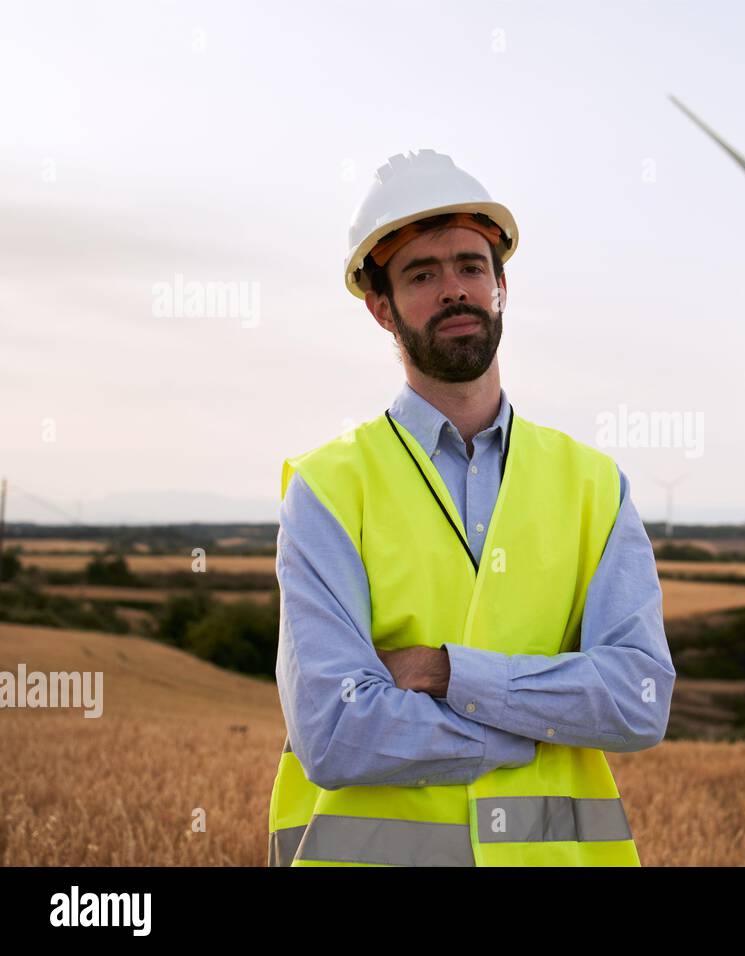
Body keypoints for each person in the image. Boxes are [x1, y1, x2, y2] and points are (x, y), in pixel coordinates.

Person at [266, 149, 675, 866]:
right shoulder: (328, 489)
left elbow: (639, 697)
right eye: (423, 274)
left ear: (501, 285)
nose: (454, 289)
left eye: (470, 266)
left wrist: (446, 672)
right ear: (380, 306)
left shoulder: (593, 485)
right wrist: (537, 723)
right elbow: (333, 732)